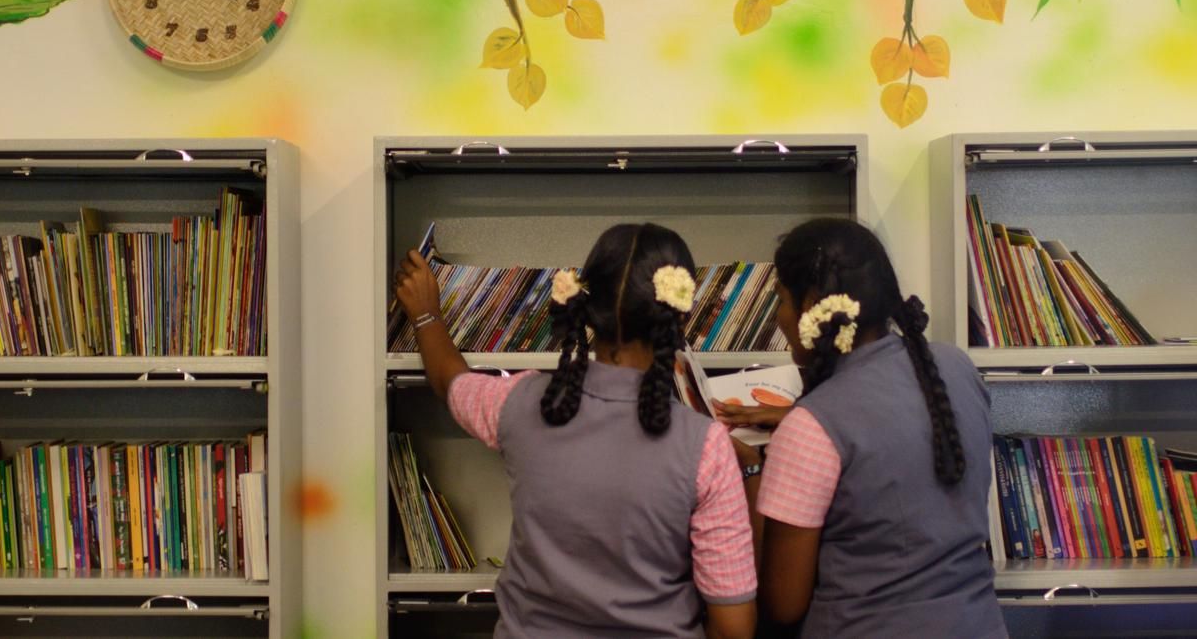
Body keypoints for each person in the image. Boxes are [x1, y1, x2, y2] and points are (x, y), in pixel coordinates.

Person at [395, 223, 757, 639]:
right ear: (681, 314)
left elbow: (450, 382)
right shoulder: (706, 446)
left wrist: (426, 314)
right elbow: (734, 628)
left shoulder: (518, 403)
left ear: (585, 304)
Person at [718, 218, 1006, 638]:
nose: (779, 316)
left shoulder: (812, 428)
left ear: (811, 305)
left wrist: (751, 470)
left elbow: (783, 604)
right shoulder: (956, 367)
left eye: (780, 299)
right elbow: (897, 439)